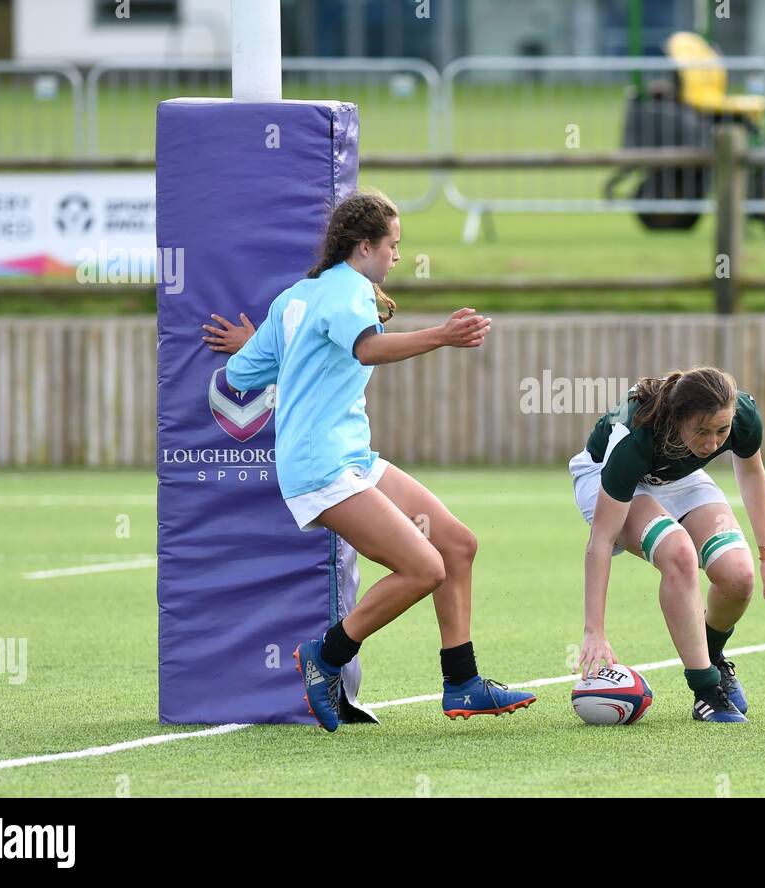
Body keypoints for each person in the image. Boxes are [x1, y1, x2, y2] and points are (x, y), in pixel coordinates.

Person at [204, 190, 535, 732]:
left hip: (350, 456)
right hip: (322, 465)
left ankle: (463, 683)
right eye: (393, 245)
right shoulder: (354, 290)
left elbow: (243, 373)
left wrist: (262, 344)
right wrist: (443, 336)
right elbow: (366, 349)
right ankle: (326, 656)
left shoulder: (295, 298)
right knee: (424, 567)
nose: (397, 257)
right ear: (364, 248)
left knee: (457, 544)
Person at [569, 366, 765, 723]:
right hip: (601, 477)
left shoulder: (742, 414)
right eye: (701, 431)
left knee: (738, 576)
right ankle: (706, 692)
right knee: (679, 553)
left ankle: (712, 659)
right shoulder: (635, 437)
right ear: (677, 418)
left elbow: (750, 471)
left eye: (721, 430)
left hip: (676, 476)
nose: (712, 443)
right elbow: (601, 540)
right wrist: (594, 629)